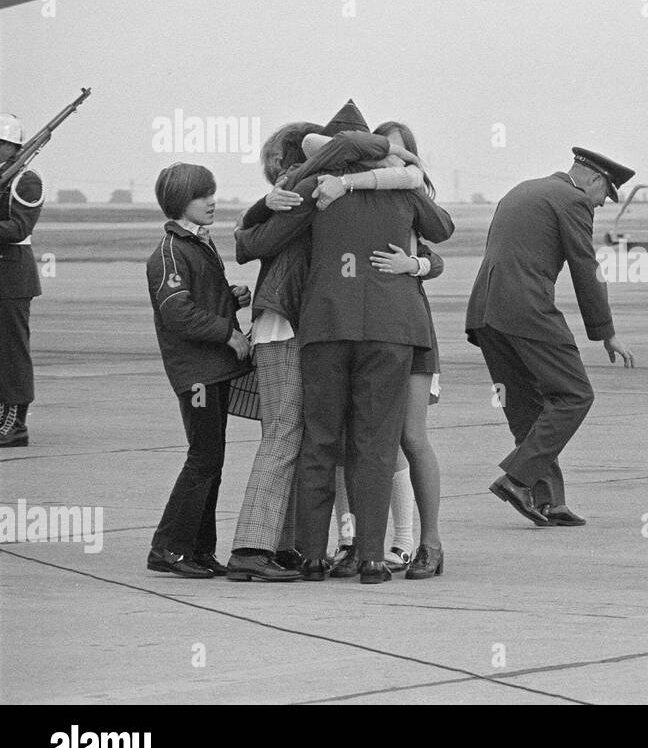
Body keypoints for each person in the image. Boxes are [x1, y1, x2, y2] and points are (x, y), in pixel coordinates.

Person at [240, 103, 453, 583]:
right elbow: (442, 229)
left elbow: (254, 243)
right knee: (377, 445)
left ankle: (315, 554)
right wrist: (408, 172)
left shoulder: (318, 191)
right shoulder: (402, 190)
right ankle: (374, 559)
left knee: (321, 440)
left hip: (326, 328)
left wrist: (268, 201)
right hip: (391, 331)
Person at [467, 148, 635, 527]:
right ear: (594, 180)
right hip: (526, 311)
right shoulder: (573, 200)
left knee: (527, 406)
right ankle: (516, 480)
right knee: (575, 394)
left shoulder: (523, 190)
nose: (601, 204)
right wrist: (606, 334)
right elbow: (585, 267)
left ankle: (548, 500)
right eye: (604, 195)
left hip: (485, 312)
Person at [324, 120, 448, 580]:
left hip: (411, 330)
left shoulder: (408, 195)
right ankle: (356, 541)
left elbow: (441, 239)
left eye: (398, 152)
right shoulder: (350, 193)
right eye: (381, 150)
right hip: (366, 332)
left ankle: (426, 544)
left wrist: (416, 263)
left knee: (410, 437)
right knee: (356, 441)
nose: (388, 158)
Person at [145, 163, 252, 577]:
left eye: (212, 192)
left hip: (212, 370)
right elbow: (177, 312)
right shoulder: (171, 250)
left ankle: (200, 549)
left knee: (212, 460)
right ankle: (168, 548)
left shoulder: (197, 244)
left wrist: (229, 298)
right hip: (197, 374)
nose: (211, 201)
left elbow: (198, 298)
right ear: (178, 203)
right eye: (201, 195)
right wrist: (228, 331)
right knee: (203, 459)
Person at [0, 113, 43, 448]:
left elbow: (18, 228)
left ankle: (16, 425)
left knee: (13, 351)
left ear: (13, 147)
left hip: (12, 276)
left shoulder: (26, 180)